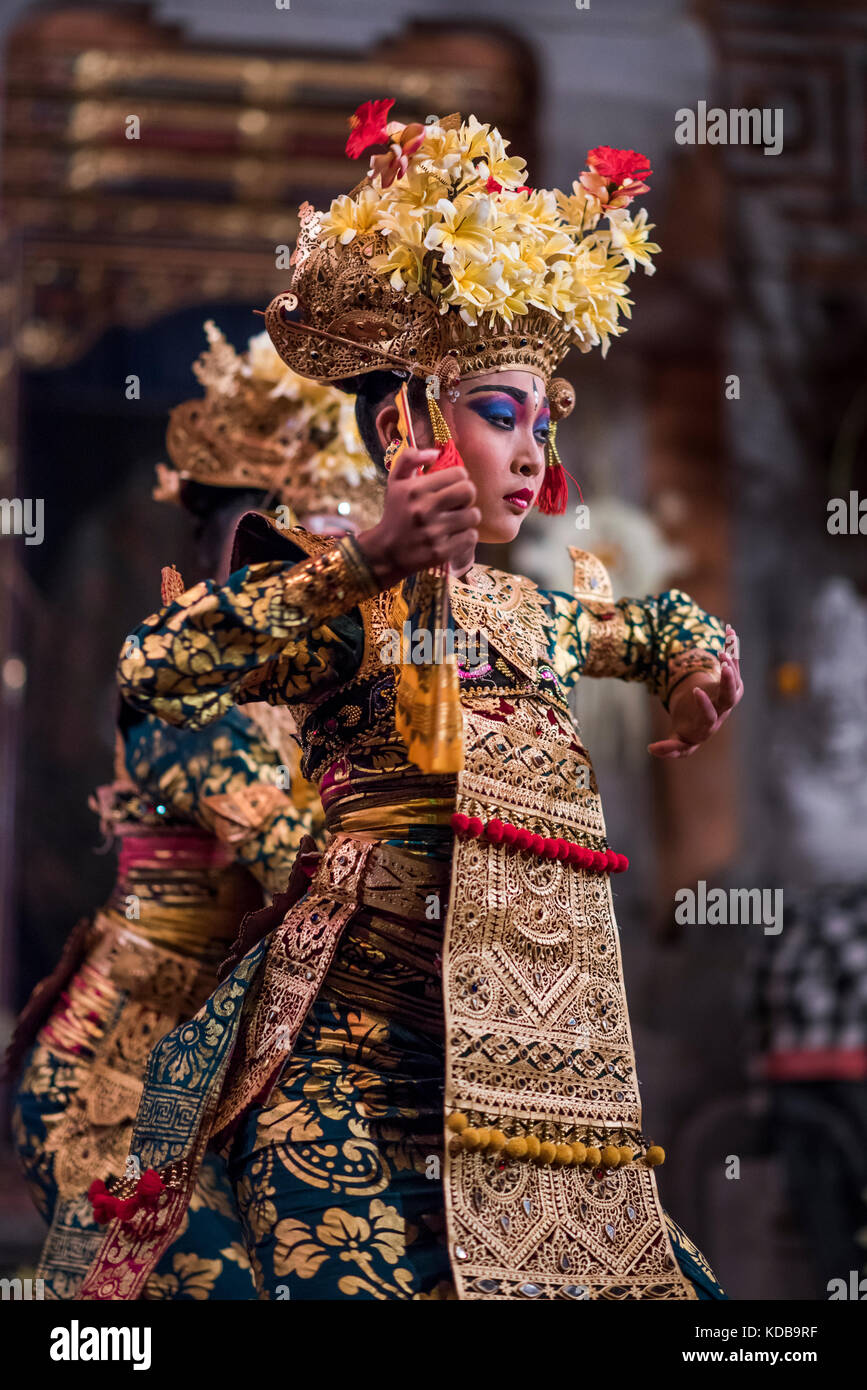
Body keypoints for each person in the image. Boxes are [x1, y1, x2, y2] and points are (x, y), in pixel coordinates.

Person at [81, 107, 742, 1301]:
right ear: (407, 421)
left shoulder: (536, 615)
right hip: (351, 1077)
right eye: (499, 413)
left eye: (544, 421)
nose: (533, 449)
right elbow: (155, 667)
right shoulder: (333, 593)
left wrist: (698, 658)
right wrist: (365, 564)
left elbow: (648, 627)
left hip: (543, 1105)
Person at [6, 322, 379, 1299]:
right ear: (214, 554)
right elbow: (307, 861)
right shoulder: (178, 694)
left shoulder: (371, 701)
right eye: (269, 546)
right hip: (123, 1077)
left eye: (329, 551)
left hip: (284, 1072)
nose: (300, 583)